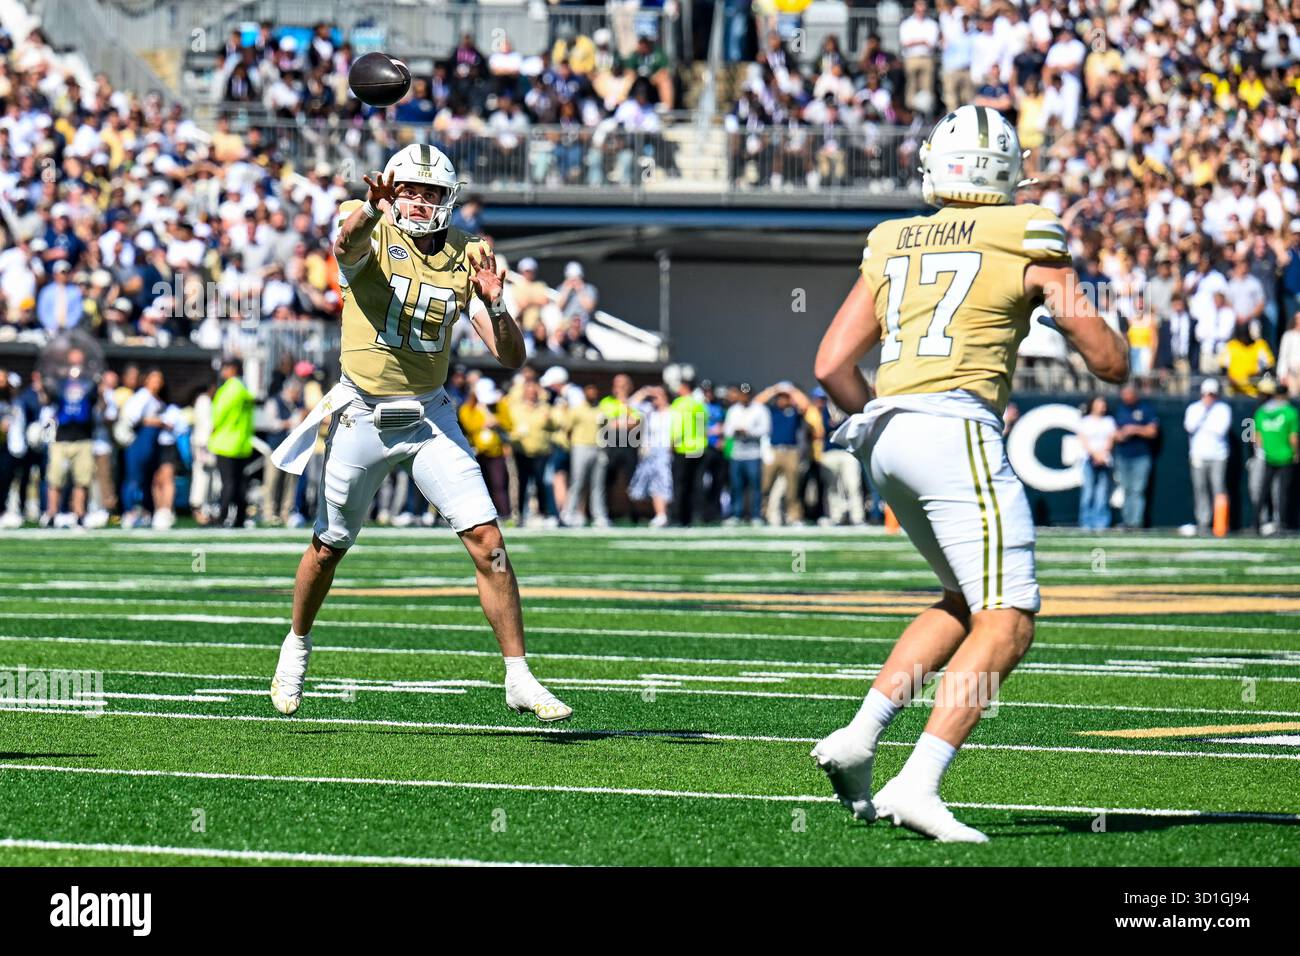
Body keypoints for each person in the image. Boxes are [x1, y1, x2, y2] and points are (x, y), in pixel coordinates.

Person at [811, 105, 1127, 843]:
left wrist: (882, 424)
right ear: (1007, 174)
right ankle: (919, 782)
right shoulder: (1028, 228)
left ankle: (860, 737)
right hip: (955, 427)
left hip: (888, 431)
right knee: (1010, 618)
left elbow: (829, 365)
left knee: (962, 599)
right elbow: (1108, 360)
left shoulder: (892, 238)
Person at [268, 144, 570, 722]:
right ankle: (296, 647)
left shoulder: (467, 254)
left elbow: (510, 356)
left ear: (448, 200)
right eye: (409, 189)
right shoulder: (368, 223)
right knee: (329, 547)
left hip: (429, 414)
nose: (418, 201)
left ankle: (519, 676)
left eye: (430, 192)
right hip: (360, 410)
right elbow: (344, 245)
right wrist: (372, 210)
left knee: (489, 542)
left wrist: (497, 304)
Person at [42, 348, 98, 528]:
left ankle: (79, 514)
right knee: (55, 478)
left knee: (82, 479)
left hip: (83, 437)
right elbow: (48, 402)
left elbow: (97, 405)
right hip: (61, 437)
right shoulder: (59, 383)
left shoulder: (90, 383)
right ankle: (51, 513)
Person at [209, 358, 256, 529]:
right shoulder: (244, 389)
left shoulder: (229, 389)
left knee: (228, 483)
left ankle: (222, 518)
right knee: (240, 483)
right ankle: (240, 517)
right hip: (241, 442)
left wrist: (212, 429)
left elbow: (218, 414)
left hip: (225, 442)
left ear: (232, 369)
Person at [1184, 378, 1232, 535]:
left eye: (1212, 394)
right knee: (1200, 489)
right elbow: (1190, 426)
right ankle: (1203, 522)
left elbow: (1220, 430)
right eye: (1206, 394)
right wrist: (1204, 413)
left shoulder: (1223, 409)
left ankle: (1220, 524)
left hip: (1218, 455)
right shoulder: (1194, 408)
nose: (1209, 397)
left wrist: (1205, 424)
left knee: (1219, 488)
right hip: (1198, 455)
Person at [1252, 379, 1298, 534]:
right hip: (1286, 455)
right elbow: (1293, 438)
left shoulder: (1262, 412)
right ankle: (1283, 523)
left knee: (1263, 491)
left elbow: (1258, 438)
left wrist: (1265, 450)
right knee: (1283, 492)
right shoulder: (1290, 412)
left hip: (1268, 455)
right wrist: (1296, 453)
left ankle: (1257, 523)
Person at [1111, 383, 1159, 529]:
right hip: (1123, 454)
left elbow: (1153, 431)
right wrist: (1121, 435)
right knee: (1126, 489)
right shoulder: (1119, 409)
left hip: (1141, 455)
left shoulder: (1145, 408)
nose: (1126, 397)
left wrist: (1135, 429)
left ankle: (1136, 522)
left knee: (1138, 489)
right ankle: (1126, 521)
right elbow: (1113, 434)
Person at [627, 384, 673, 527]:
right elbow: (631, 404)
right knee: (643, 485)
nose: (654, 399)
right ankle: (657, 514)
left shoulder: (672, 412)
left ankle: (662, 514)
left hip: (665, 451)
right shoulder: (649, 411)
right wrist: (646, 391)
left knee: (662, 482)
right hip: (649, 452)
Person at [723, 383, 769, 525]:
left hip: (753, 454)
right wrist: (735, 431)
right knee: (736, 486)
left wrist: (748, 432)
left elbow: (765, 429)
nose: (744, 397)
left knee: (755, 486)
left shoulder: (760, 409)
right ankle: (736, 514)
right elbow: (727, 430)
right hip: (737, 454)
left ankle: (755, 515)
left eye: (746, 394)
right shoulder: (733, 410)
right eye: (742, 394)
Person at [668, 377, 708, 526]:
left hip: (683, 448)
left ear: (684, 387)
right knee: (695, 483)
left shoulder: (679, 404)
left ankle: (677, 517)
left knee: (679, 484)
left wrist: (672, 443)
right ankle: (693, 516)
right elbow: (703, 425)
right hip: (699, 447)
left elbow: (677, 426)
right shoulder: (699, 404)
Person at [1076, 395, 1117, 530]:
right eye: (1099, 403)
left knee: (1102, 492)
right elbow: (1083, 439)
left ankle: (1101, 523)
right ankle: (1086, 523)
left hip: (1105, 460)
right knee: (1088, 491)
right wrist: (1095, 455)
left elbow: (1111, 438)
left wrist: (1102, 455)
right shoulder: (1086, 421)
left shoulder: (1109, 421)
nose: (1102, 406)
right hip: (1089, 459)